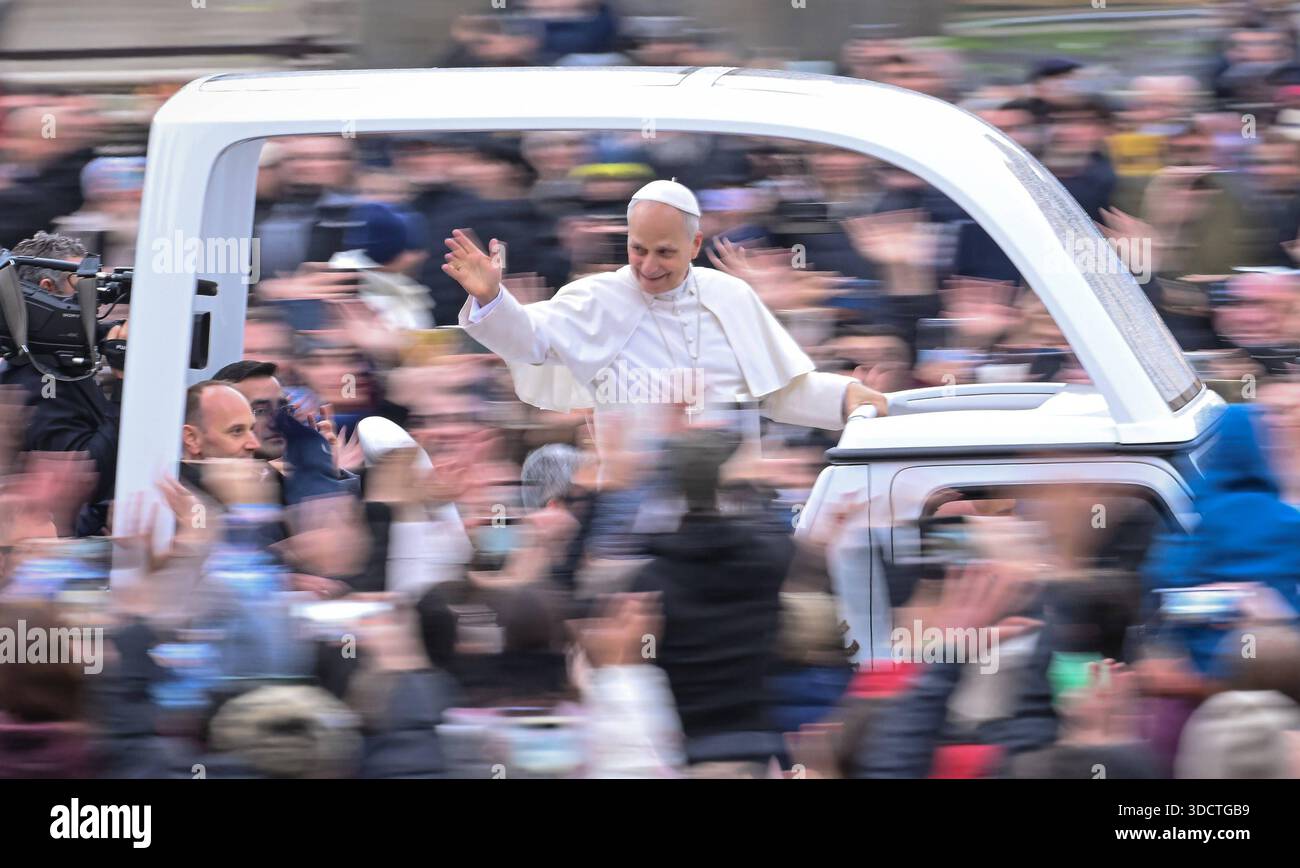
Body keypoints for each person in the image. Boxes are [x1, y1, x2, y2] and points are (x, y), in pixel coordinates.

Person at [445, 179, 888, 455]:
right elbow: (530, 342)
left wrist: (845, 395)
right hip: (634, 499)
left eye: (665, 252)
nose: (649, 265)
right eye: (639, 249)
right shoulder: (595, 297)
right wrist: (492, 297)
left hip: (726, 492)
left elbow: (777, 391)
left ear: (695, 246)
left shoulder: (729, 296)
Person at [0, 232, 126, 535]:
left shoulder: (60, 367)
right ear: (47, 289)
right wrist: (125, 387)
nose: (95, 300)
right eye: (82, 286)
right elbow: (82, 475)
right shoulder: (38, 379)